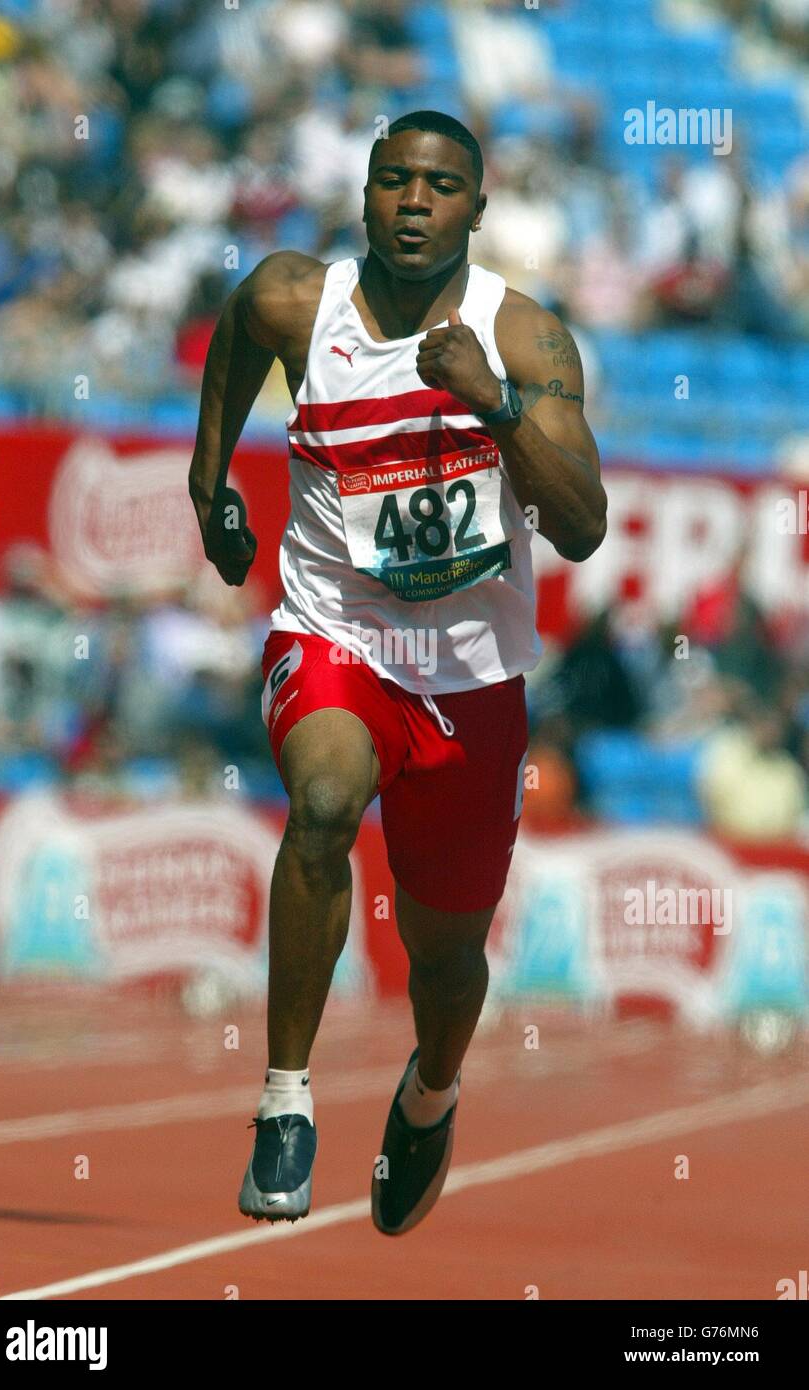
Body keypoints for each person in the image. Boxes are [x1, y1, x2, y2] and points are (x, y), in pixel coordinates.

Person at [188, 110, 606, 1236]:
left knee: (448, 963)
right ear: (363, 195)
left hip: (470, 680)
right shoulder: (295, 299)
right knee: (321, 801)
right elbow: (235, 332)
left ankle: (430, 1091)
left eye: (438, 186)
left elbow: (581, 526)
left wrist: (496, 405)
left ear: (478, 204)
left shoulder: (524, 339)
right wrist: (205, 483)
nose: (412, 203)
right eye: (391, 182)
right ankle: (284, 1103)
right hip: (335, 633)